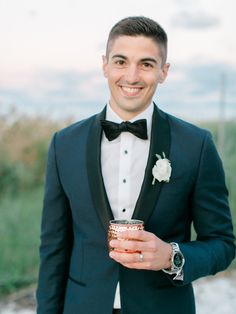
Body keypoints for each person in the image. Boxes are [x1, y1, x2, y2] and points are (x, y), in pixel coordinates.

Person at [36, 16, 235, 314]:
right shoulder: (64, 144)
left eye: (146, 64)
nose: (131, 76)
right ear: (105, 65)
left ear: (163, 72)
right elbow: (53, 249)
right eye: (120, 61)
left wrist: (172, 256)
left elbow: (222, 244)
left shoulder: (197, 145)